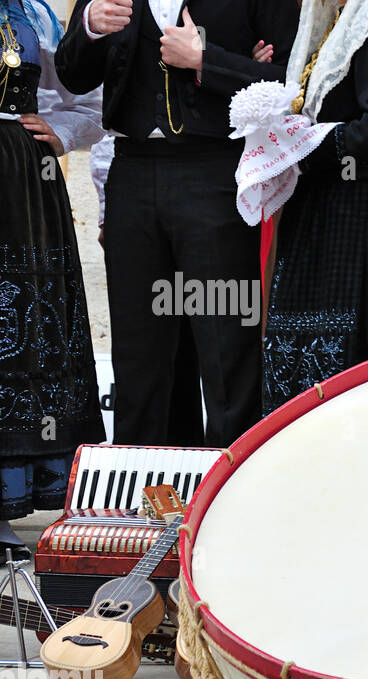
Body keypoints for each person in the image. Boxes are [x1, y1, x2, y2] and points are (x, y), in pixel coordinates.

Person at [56, 0, 298, 448]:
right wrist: (89, 26)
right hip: (131, 173)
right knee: (139, 351)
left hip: (215, 173)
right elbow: (72, 76)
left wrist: (209, 61)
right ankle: (141, 495)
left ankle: (227, 493)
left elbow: (290, 82)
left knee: (225, 343)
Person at [261, 0, 368, 414]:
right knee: (304, 379)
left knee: (364, 379)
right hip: (319, 214)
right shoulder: (329, 27)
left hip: (367, 217)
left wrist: (304, 146)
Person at [0, 0, 103, 553]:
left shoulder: (33, 13)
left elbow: (87, 98)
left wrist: (59, 131)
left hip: (20, 184)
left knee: (19, 335)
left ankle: (12, 498)